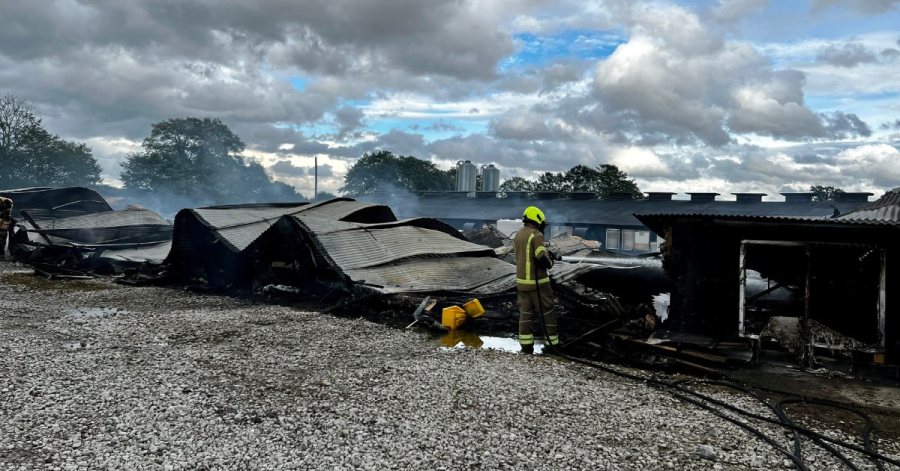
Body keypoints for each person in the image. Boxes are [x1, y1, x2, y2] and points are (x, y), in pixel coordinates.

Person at [514, 205, 558, 354]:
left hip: (521, 284)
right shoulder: (536, 235)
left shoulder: (519, 234)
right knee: (547, 313)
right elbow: (541, 258)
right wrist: (550, 261)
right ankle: (552, 346)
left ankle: (526, 347)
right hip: (538, 284)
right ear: (537, 220)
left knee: (525, 315)